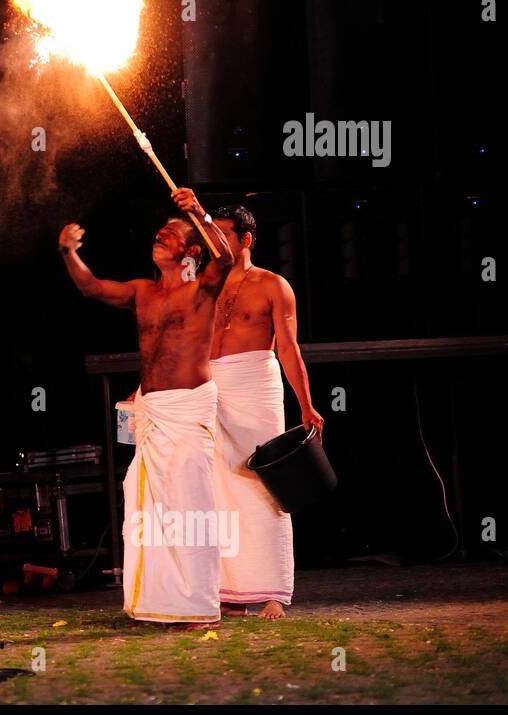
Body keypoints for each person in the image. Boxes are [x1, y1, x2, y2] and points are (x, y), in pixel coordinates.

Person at [59, 188, 232, 626]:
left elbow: (225, 258)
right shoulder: (142, 292)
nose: (160, 235)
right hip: (153, 412)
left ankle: (201, 607)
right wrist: (67, 252)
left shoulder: (202, 289)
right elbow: (90, 287)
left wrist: (198, 212)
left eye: (170, 234)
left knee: (191, 508)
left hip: (188, 410)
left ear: (191, 250)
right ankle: (163, 600)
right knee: (147, 507)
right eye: (159, 232)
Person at [208, 204, 322, 619]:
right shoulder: (205, 284)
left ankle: (274, 592)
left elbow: (289, 348)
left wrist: (306, 405)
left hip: (255, 382)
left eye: (223, 235)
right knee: (217, 490)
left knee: (264, 485)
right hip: (210, 384)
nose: (215, 243)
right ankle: (231, 591)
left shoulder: (273, 285)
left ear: (245, 238)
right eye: (211, 235)